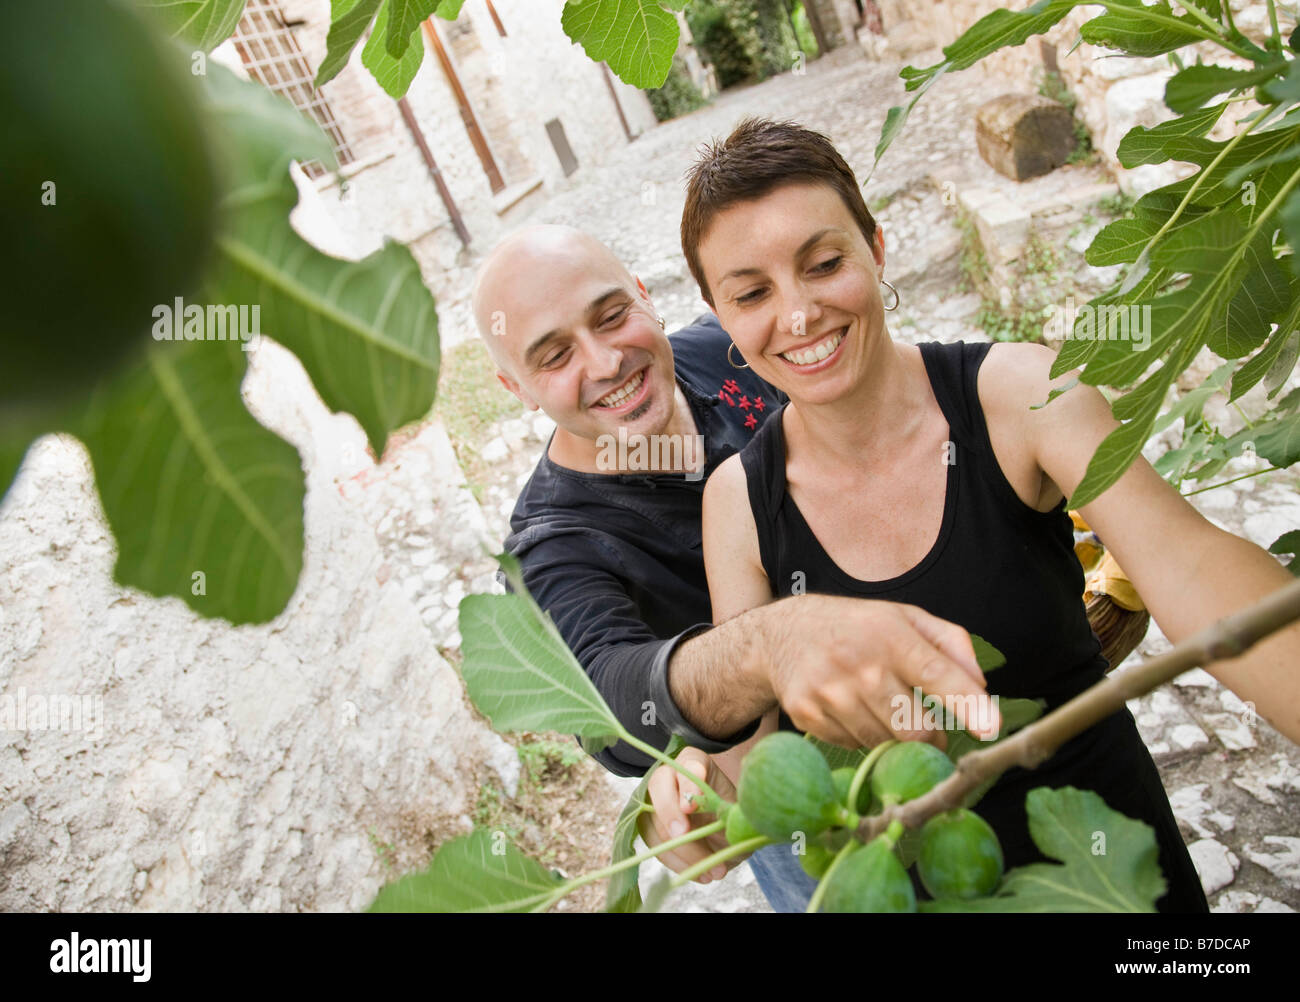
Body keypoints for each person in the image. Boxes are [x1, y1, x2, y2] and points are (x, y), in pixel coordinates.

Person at [651, 116, 1300, 912]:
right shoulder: (739, 506)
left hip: (1115, 877)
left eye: (823, 264)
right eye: (751, 293)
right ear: (720, 315)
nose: (798, 314)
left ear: (877, 249)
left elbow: (1190, 564)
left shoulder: (1024, 397)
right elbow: (755, 752)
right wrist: (698, 794)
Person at [471, 224, 1001, 892]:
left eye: (612, 317)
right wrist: (766, 649)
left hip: (943, 696)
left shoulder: (729, 352)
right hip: (800, 803)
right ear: (513, 384)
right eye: (553, 357)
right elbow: (605, 701)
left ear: (644, 296)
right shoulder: (552, 546)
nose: (605, 363)